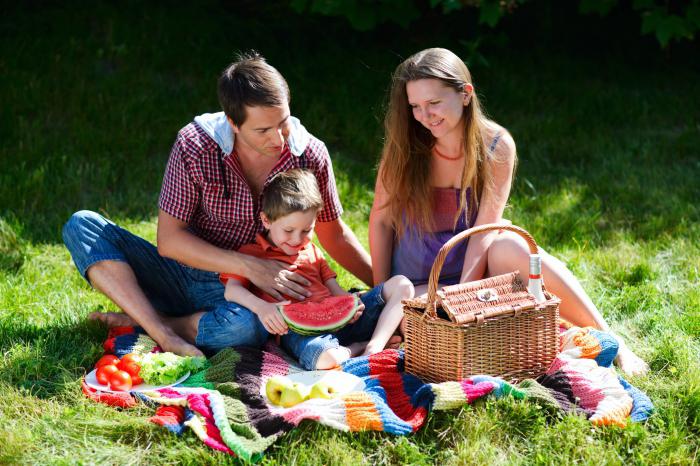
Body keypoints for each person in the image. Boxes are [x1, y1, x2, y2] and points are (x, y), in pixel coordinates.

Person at [62, 52, 372, 357]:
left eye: (283, 122)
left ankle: (149, 321)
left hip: (241, 295)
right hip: (179, 272)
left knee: (246, 328)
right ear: (233, 123)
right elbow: (169, 241)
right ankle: (164, 334)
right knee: (82, 225)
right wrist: (251, 265)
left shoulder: (310, 154)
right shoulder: (195, 145)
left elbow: (333, 232)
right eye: (262, 130)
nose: (278, 138)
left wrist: (384, 283)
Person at [368, 48, 648, 376]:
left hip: (475, 265)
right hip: (419, 279)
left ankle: (613, 341)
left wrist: (462, 299)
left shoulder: (496, 145)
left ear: (466, 95)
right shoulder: (405, 146)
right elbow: (381, 220)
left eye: (434, 103)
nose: (424, 116)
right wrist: (381, 294)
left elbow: (484, 230)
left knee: (514, 246)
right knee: (415, 314)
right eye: (415, 106)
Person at [221, 169, 412, 370]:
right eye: (288, 230)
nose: (297, 239)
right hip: (297, 332)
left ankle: (375, 347)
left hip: (342, 320)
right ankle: (358, 347)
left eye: (306, 230)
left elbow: (334, 289)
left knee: (402, 284)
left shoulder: (312, 250)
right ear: (266, 220)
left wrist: (351, 305)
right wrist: (262, 308)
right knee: (326, 360)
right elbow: (231, 290)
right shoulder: (251, 254)